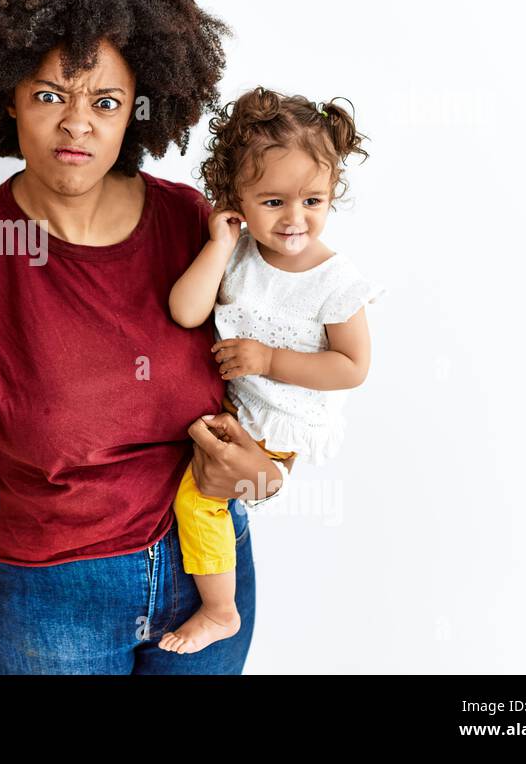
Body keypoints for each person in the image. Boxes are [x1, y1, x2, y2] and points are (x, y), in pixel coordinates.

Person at [0, 0, 292, 674]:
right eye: (49, 95)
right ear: (6, 94)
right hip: (50, 604)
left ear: (138, 107)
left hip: (209, 571)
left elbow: (269, 375)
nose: (78, 125)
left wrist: (263, 474)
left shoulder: (193, 224)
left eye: (105, 101)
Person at [160, 86, 387, 653]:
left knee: (199, 499)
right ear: (236, 196)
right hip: (237, 408)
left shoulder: (335, 281)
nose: (294, 219)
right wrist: (218, 244)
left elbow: (352, 367)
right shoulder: (236, 252)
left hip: (279, 422)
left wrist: (268, 360)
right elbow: (185, 311)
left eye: (312, 201)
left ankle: (219, 611)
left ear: (332, 194)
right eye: (273, 202)